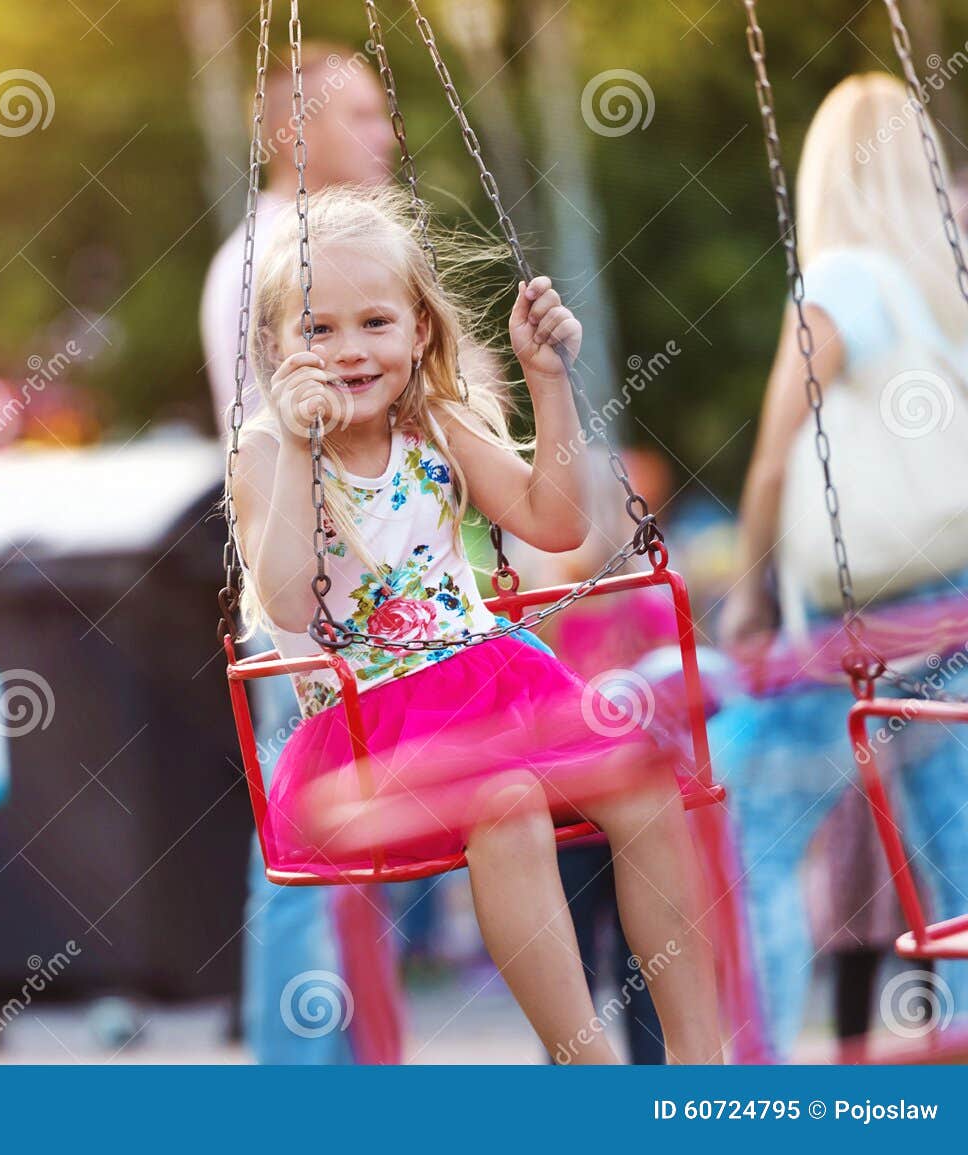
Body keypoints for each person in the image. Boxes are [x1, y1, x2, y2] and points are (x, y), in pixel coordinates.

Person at [231, 184, 723, 1063]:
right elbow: (289, 603)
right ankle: (588, 1067)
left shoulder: (437, 425)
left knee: (644, 781)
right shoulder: (268, 451)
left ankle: (699, 1065)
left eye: (375, 322)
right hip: (377, 722)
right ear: (277, 348)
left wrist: (547, 380)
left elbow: (557, 523)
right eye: (318, 330)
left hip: (496, 678)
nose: (350, 350)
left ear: (420, 330)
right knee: (504, 803)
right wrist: (304, 446)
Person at [715, 72, 968, 1061]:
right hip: (952, 599)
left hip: (863, 615)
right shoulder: (940, 288)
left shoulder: (843, 279)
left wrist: (749, 590)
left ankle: (751, 1079)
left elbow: (781, 447)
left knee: (753, 832)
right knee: (955, 860)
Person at [201, 42, 401, 1065]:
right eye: (359, 115)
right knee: (308, 844)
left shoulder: (288, 244)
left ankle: (334, 1071)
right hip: (316, 591)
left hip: (339, 587)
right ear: (293, 134)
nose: (384, 135)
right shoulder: (284, 252)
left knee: (334, 846)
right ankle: (299, 1081)